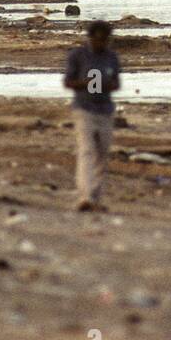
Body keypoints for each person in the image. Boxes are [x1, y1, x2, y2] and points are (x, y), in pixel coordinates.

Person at [63, 21, 121, 212]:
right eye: (96, 40)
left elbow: (116, 84)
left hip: (105, 110)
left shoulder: (112, 57)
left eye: (103, 40)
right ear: (90, 39)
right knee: (87, 151)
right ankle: (85, 196)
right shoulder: (78, 56)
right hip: (84, 109)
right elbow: (68, 82)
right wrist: (86, 83)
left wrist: (104, 85)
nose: (100, 43)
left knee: (102, 155)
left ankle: (95, 197)